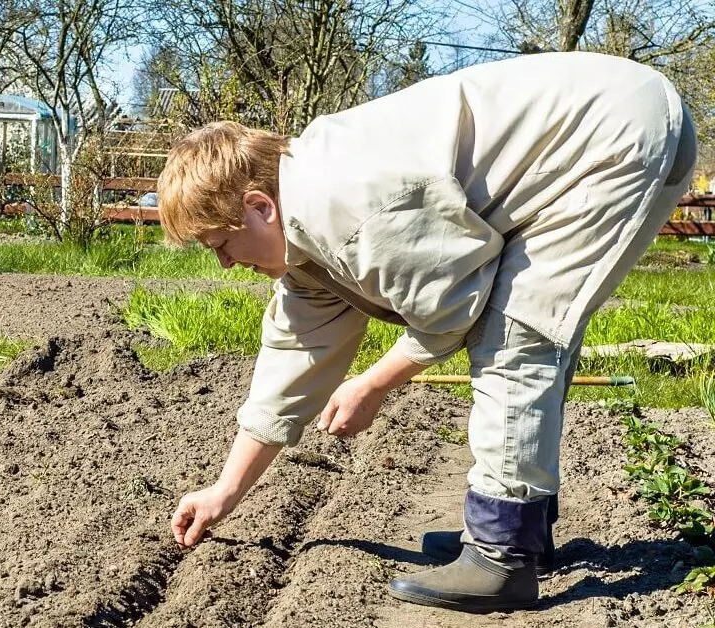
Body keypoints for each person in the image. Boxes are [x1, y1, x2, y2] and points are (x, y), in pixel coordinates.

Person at [157, 51, 696, 613]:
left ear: (259, 206)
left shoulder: (346, 207)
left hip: (612, 136)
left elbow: (453, 307)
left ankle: (502, 554)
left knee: (515, 333)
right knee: (523, 330)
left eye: (220, 244)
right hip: (608, 126)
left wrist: (374, 383)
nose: (223, 263)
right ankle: (522, 533)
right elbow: (292, 362)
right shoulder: (305, 236)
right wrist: (225, 491)